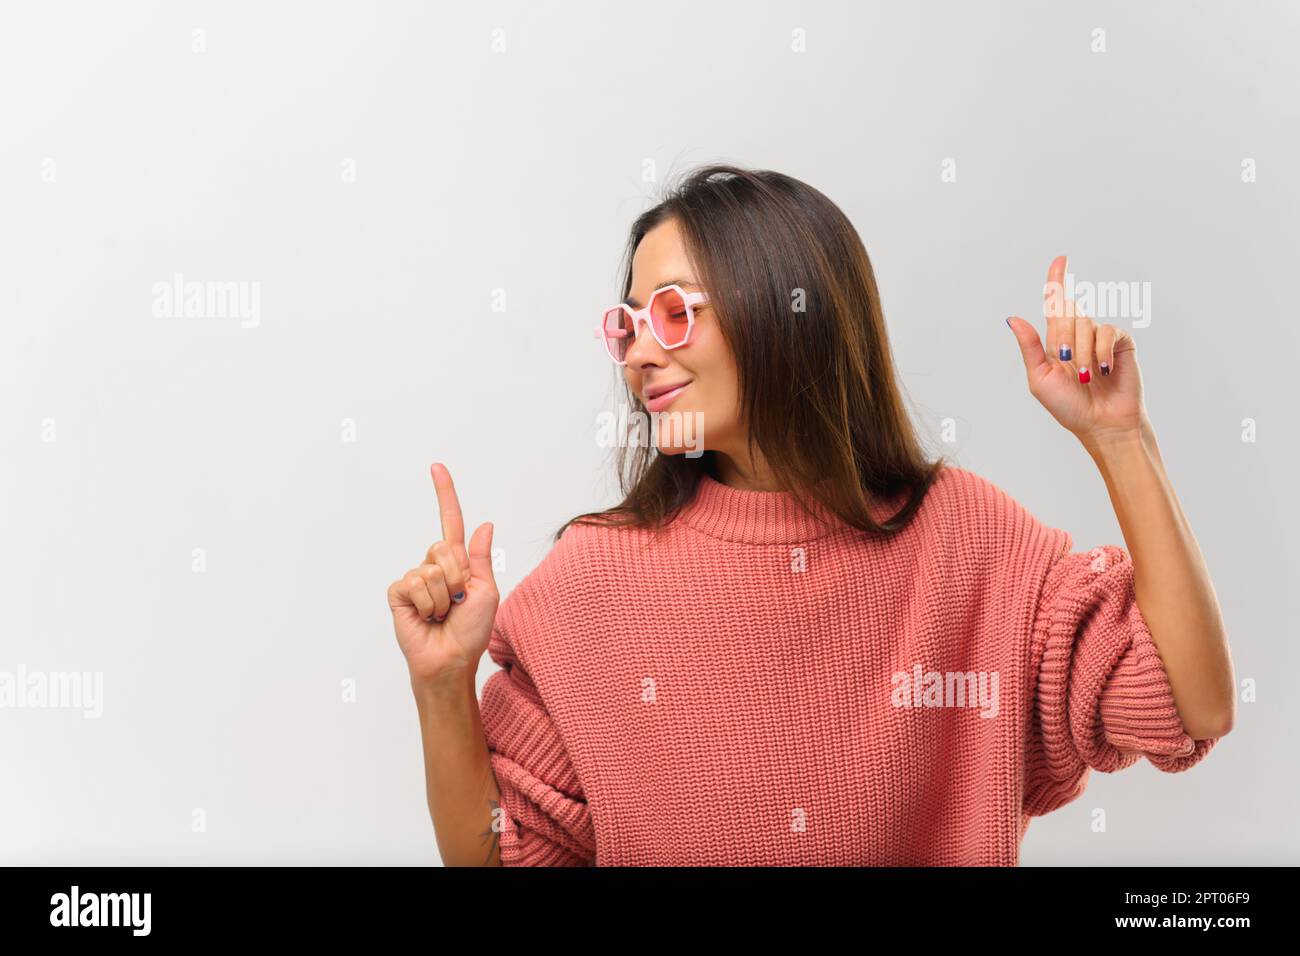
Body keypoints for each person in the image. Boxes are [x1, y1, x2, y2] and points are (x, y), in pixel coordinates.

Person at [386, 164, 1235, 866]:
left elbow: (1193, 705)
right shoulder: (589, 584)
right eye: (628, 326)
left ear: (784, 308)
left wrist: (1122, 442)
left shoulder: (969, 543)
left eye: (675, 313)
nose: (642, 353)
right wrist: (441, 685)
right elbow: (496, 859)